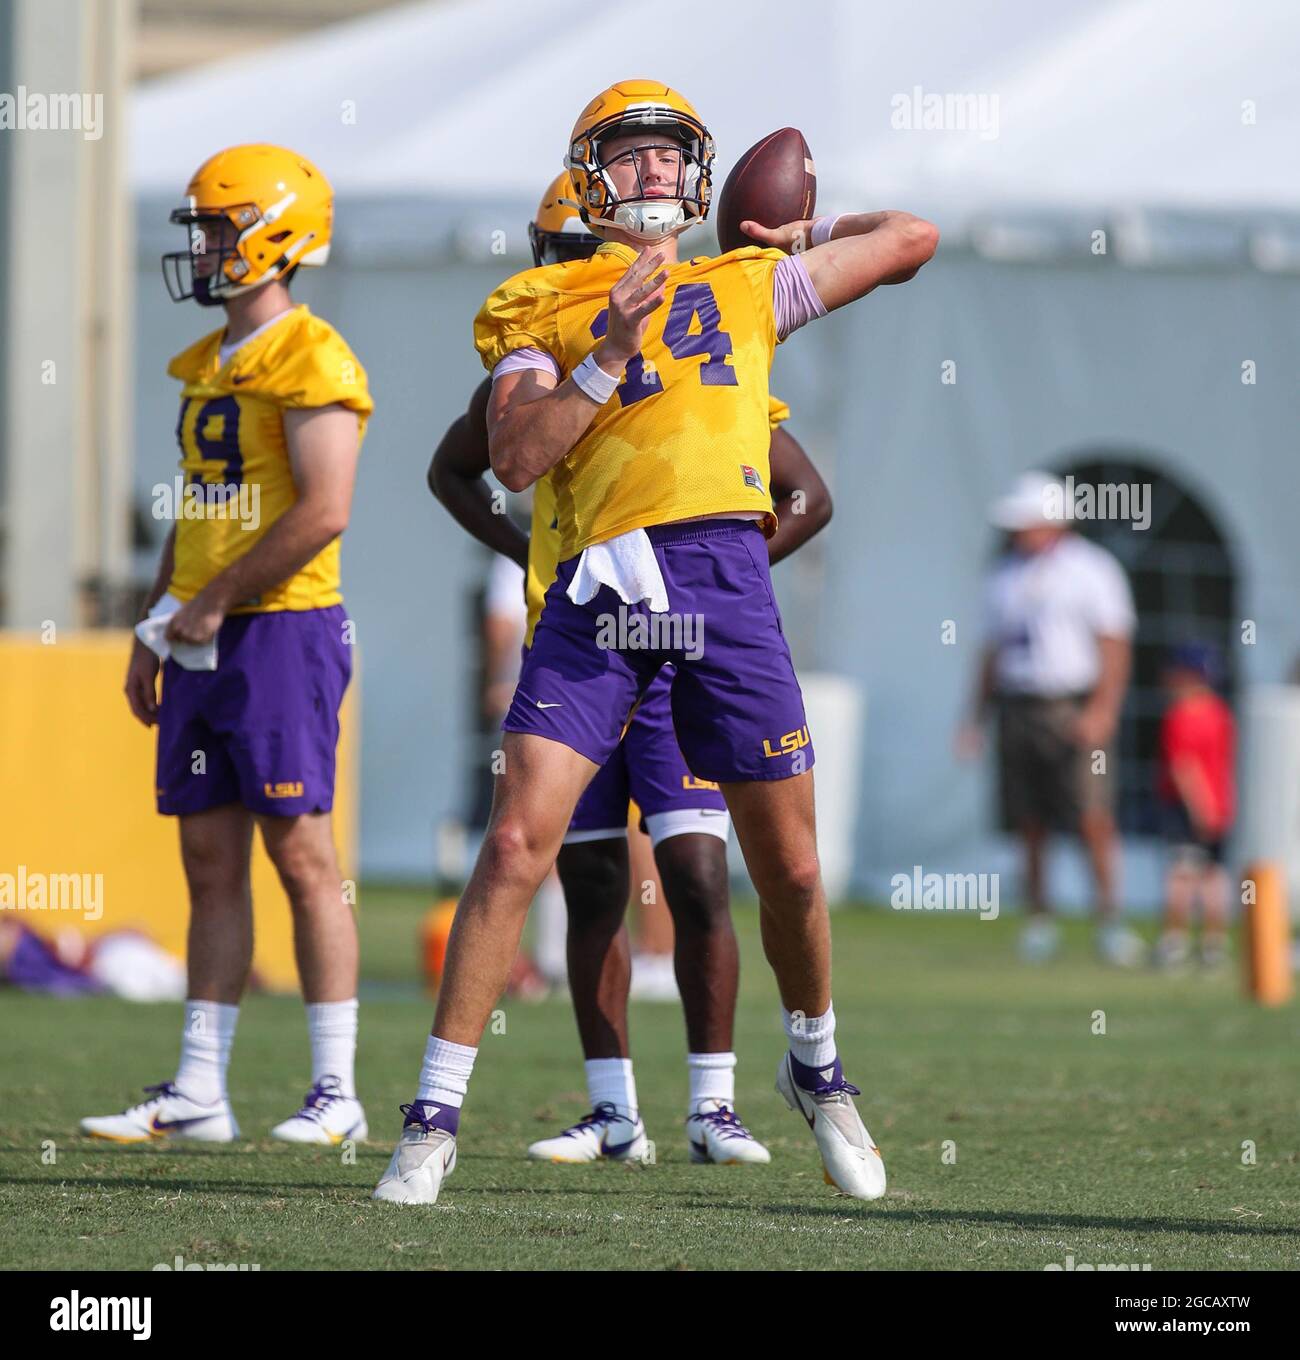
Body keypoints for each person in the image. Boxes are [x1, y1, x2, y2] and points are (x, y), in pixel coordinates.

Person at [375, 78, 935, 1206]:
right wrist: (605, 353)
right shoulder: (535, 301)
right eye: (631, 157)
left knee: (785, 864)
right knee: (519, 844)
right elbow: (520, 460)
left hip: (723, 579)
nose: (657, 174)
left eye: (674, 156)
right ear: (589, 178)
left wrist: (801, 231)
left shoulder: (740, 281)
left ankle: (816, 1068)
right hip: (596, 591)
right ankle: (431, 1116)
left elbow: (911, 238)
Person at [427, 173, 833, 1165]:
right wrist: (522, 550)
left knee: (697, 870)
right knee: (586, 870)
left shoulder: (694, 346)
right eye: (565, 257)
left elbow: (804, 491)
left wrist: (707, 578)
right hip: (577, 636)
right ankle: (612, 1108)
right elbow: (459, 466)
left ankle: (714, 1102)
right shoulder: (539, 353)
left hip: (679, 638)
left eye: (577, 254)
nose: (575, 275)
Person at [81, 145, 373, 1146]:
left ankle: (336, 1090)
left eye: (219, 228)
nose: (204, 248)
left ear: (275, 234)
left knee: (301, 855)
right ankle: (201, 1087)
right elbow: (197, 511)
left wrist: (214, 605)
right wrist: (156, 622)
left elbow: (325, 509)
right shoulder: (210, 363)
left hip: (282, 628)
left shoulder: (314, 356)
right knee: (208, 858)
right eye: (203, 229)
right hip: (206, 630)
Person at [957, 471, 1143, 966]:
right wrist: (975, 718)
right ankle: (1039, 919)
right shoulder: (1005, 574)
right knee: (1029, 821)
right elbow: (990, 652)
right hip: (1019, 706)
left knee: (1091, 815)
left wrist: (1103, 710)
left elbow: (1114, 644)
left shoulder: (1092, 569)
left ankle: (1109, 920)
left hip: (1073, 704)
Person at [1153, 644, 1235, 971]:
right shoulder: (1221, 713)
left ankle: (1175, 941)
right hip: (1219, 806)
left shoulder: (1181, 715)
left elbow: (1184, 767)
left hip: (1186, 807)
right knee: (1213, 874)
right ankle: (1214, 944)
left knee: (1182, 874)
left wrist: (1198, 808)